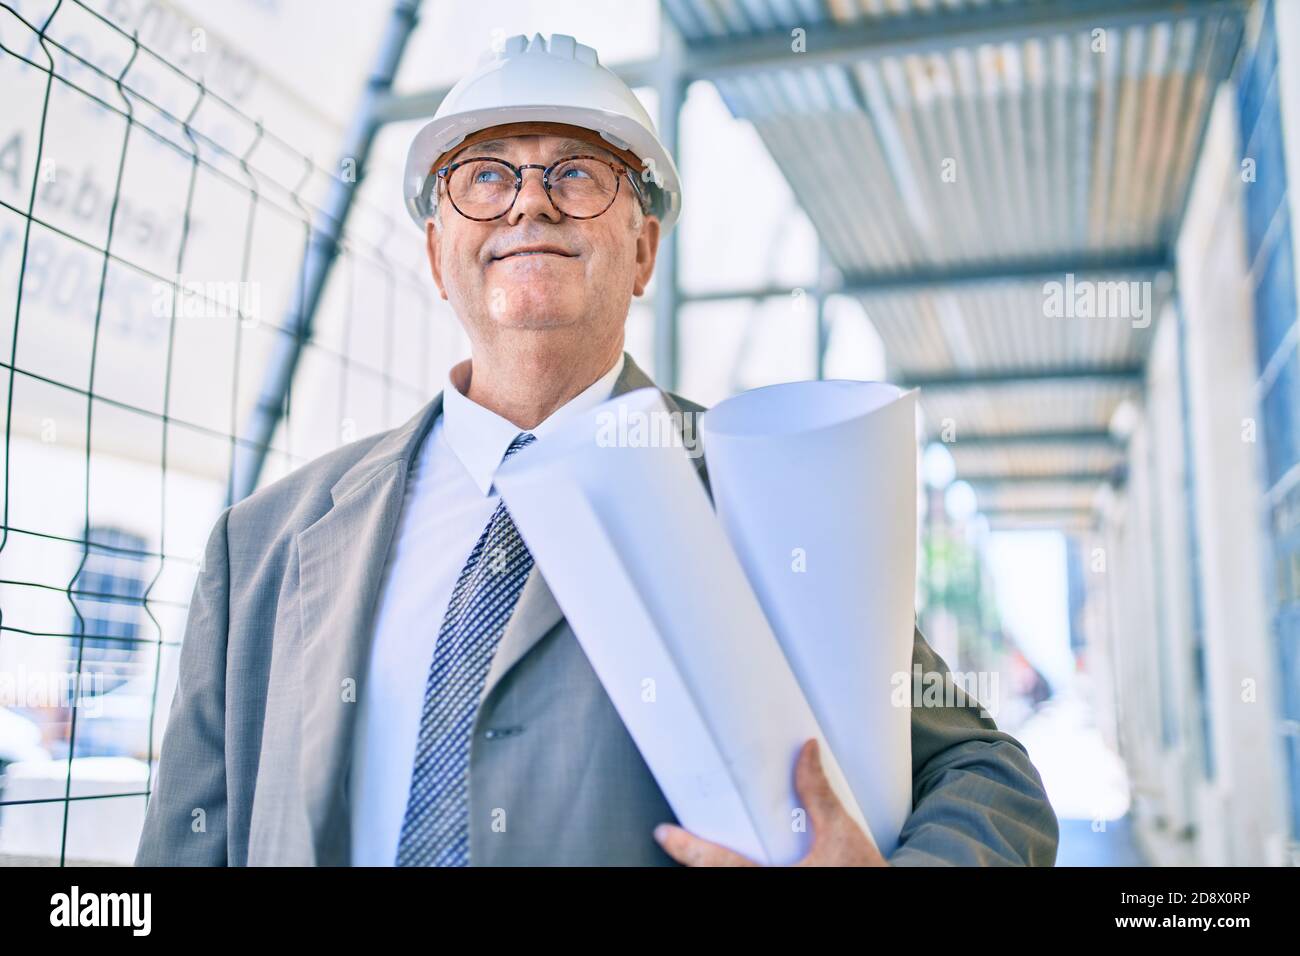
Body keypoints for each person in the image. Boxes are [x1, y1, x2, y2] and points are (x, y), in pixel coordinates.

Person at [135, 32, 1057, 867]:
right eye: (485, 177)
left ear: (644, 249)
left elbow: (988, 777)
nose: (529, 202)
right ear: (435, 251)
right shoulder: (260, 545)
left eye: (578, 175)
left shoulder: (765, 494)